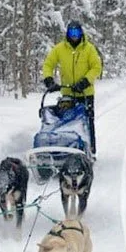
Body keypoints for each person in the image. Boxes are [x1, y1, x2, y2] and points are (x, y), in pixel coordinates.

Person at [42, 20, 102, 158]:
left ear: (81, 33)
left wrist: (86, 81)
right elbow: (48, 64)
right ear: (67, 34)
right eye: (71, 33)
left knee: (87, 121)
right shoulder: (60, 49)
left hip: (85, 93)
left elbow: (96, 67)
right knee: (67, 122)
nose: (74, 36)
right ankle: (65, 150)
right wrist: (49, 79)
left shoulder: (88, 49)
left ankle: (90, 150)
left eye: (77, 32)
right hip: (67, 93)